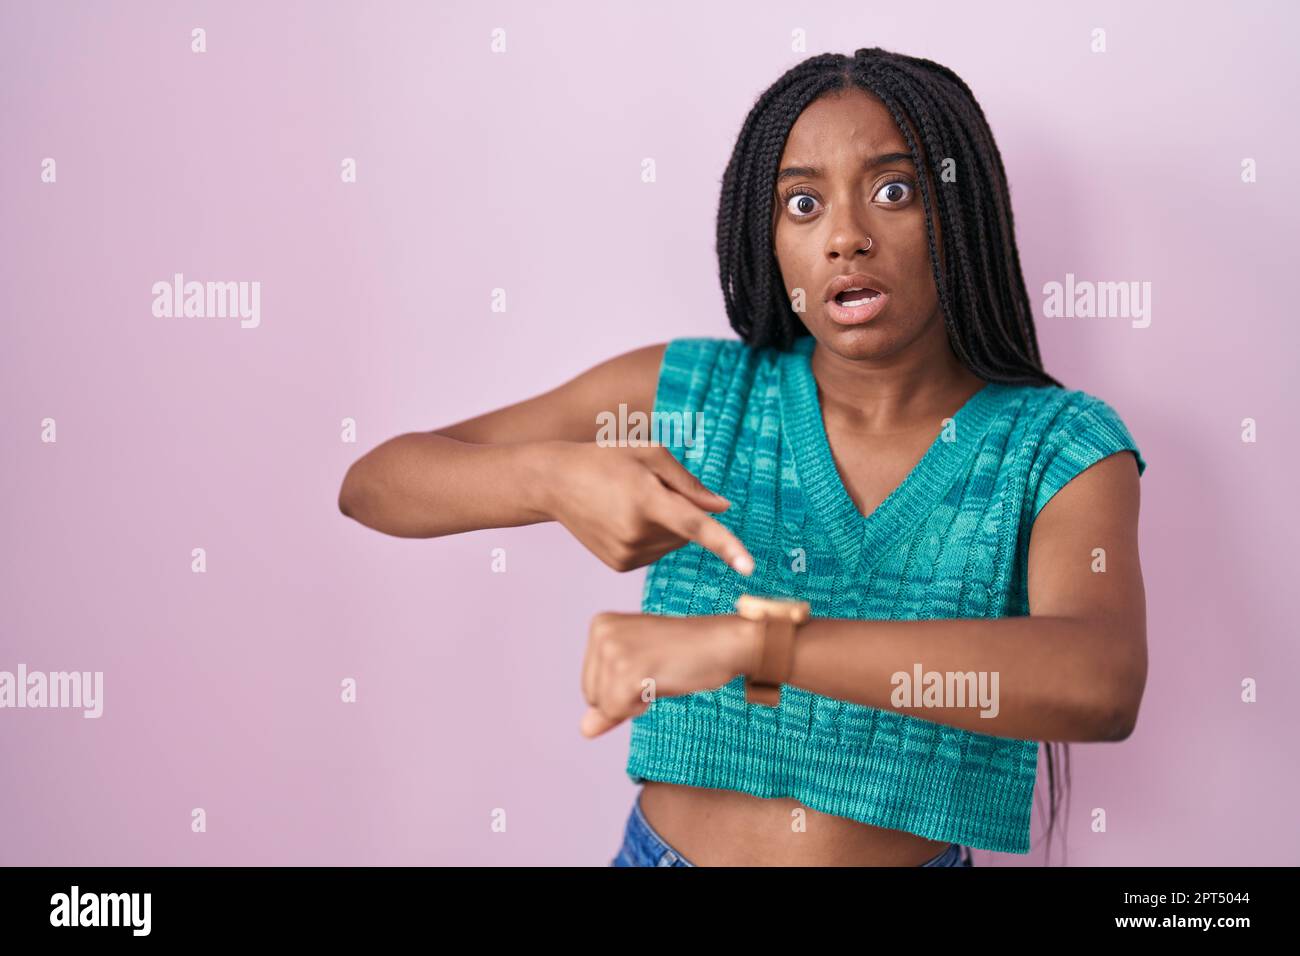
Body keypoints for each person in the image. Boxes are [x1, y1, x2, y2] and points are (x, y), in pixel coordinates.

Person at [338, 47, 1148, 868]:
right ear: (766, 242)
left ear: (959, 209)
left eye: (893, 191)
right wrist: (553, 477)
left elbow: (1101, 682)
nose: (845, 237)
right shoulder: (693, 397)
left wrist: (752, 643)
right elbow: (374, 485)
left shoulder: (1058, 444)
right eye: (802, 203)